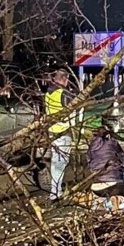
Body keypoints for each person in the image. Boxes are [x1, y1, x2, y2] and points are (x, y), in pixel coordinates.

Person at [43, 69, 80, 201]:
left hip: (52, 132)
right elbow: (75, 108)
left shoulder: (48, 94)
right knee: (60, 163)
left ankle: (55, 190)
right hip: (63, 133)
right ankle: (55, 193)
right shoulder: (64, 93)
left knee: (56, 163)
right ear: (65, 78)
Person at [86, 126, 124, 210]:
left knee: (104, 196)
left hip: (96, 185)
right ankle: (118, 199)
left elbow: (90, 166)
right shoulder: (113, 143)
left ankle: (100, 202)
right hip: (114, 183)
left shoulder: (90, 148)